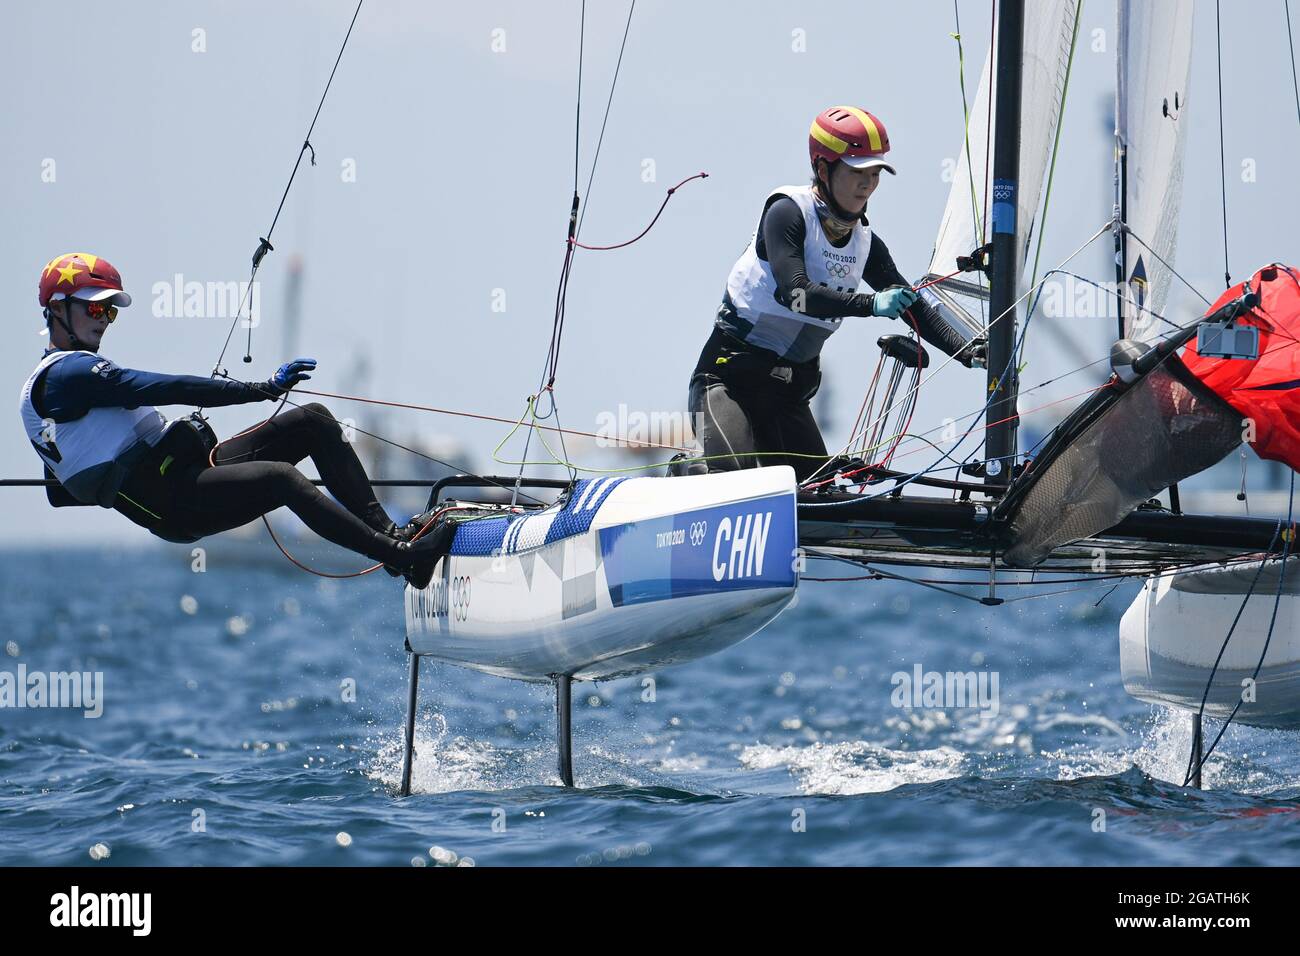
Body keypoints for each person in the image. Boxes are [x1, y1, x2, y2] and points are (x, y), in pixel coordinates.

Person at [19, 252, 453, 587]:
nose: (105, 321)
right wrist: (259, 390)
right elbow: (165, 387)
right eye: (95, 309)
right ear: (57, 308)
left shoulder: (56, 391)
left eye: (110, 311)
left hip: (185, 471)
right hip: (173, 500)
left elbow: (60, 493)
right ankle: (404, 560)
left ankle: (397, 536)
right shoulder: (68, 373)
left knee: (314, 421)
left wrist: (112, 475)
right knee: (282, 478)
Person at [685, 106, 985, 481]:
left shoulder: (866, 245)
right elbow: (794, 294)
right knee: (732, 477)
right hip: (727, 380)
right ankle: (685, 473)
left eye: (875, 174)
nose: (868, 184)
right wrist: (871, 304)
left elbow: (914, 307)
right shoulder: (787, 213)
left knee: (822, 490)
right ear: (824, 169)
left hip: (787, 395)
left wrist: (968, 350)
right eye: (858, 172)